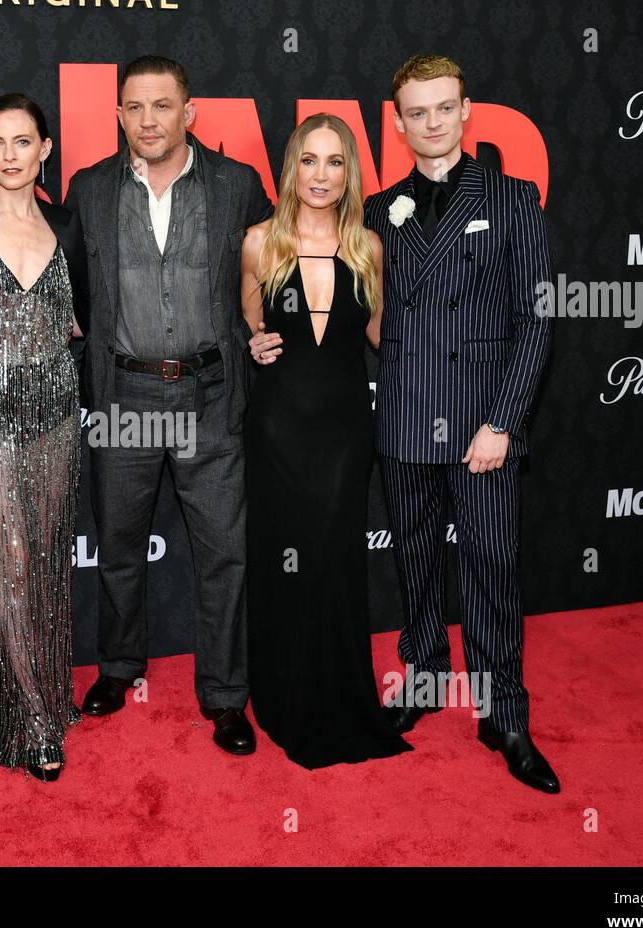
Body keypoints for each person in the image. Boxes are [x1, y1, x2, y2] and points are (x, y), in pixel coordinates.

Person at [260, 54, 558, 792]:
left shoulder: (514, 199)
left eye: (443, 108)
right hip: (399, 422)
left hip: (481, 428)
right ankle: (424, 682)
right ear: (397, 124)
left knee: (491, 570)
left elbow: (538, 320)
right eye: (416, 113)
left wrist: (504, 423)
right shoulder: (376, 213)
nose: (431, 122)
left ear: (465, 113)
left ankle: (505, 715)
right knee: (417, 568)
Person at [64, 55, 273, 754]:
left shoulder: (238, 185)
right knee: (118, 544)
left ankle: (225, 695)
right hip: (124, 392)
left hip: (209, 393)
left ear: (188, 112)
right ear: (119, 113)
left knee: (224, 554)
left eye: (162, 107)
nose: (147, 120)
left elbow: (271, 268)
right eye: (134, 107)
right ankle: (118, 668)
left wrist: (271, 334)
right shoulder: (89, 188)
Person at [240, 114, 413, 770]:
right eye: (308, 160)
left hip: (344, 430)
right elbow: (252, 327)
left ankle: (338, 694)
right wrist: (254, 343)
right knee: (284, 561)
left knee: (335, 564)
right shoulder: (259, 243)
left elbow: (380, 337)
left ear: (350, 172)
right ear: (291, 168)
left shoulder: (368, 245)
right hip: (278, 429)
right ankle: (283, 694)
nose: (320, 175)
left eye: (334, 162)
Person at [0, 94, 90, 782]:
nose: (7, 155)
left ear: (45, 149)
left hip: (58, 413)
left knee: (49, 557)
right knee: (13, 560)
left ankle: (35, 701)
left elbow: (82, 316)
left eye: (21, 142)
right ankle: (31, 720)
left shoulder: (68, 223)